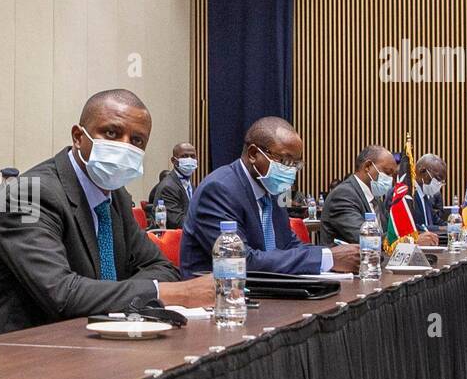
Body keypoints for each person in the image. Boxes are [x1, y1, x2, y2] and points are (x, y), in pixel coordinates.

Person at [0, 89, 214, 340]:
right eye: (111, 133)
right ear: (78, 137)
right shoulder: (26, 195)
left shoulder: (116, 197)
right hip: (7, 352)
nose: (124, 146)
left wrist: (108, 294)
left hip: (85, 342)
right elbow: (63, 295)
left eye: (137, 141)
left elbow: (162, 268)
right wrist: (174, 294)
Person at [180, 116, 360, 276]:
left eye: (296, 164)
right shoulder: (219, 189)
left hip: (266, 293)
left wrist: (336, 256)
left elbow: (289, 246)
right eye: (285, 161)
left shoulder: (271, 192)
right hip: (221, 300)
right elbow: (241, 261)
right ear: (253, 154)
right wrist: (328, 258)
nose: (291, 170)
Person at [319, 146, 396, 245]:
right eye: (387, 172)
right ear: (367, 166)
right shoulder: (343, 195)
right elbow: (367, 240)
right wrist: (405, 240)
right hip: (348, 259)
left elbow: (389, 231)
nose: (390, 179)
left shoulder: (375, 198)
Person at [146, 141, 198, 229]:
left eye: (193, 156)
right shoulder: (168, 187)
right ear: (174, 161)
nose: (189, 159)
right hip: (173, 237)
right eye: (184, 156)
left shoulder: (190, 185)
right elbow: (177, 221)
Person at [410, 153, 446, 242]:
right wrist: (441, 228)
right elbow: (413, 226)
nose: (439, 184)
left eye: (441, 181)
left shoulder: (426, 195)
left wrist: (454, 227)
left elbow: (435, 220)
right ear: (422, 171)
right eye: (437, 179)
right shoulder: (407, 195)